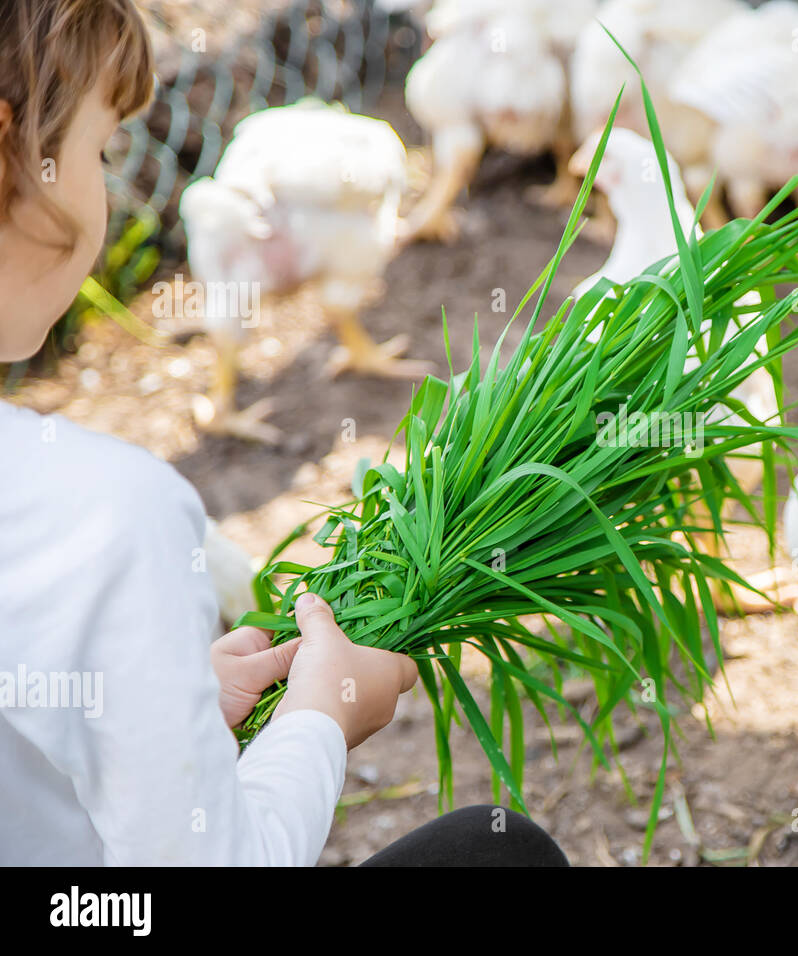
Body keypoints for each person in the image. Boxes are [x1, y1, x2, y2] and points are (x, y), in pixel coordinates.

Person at [0, 0, 566, 868]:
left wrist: (167, 708)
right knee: (502, 856)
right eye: (101, 149)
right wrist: (320, 722)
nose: (109, 188)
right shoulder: (108, 516)